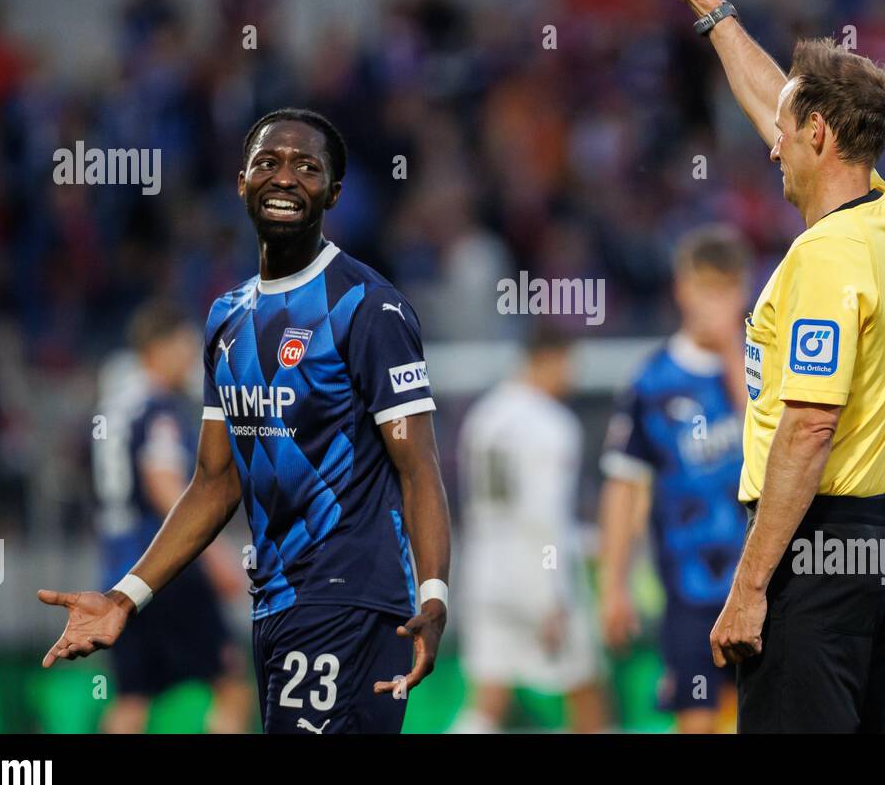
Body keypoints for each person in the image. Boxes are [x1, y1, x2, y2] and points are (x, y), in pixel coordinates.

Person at [40, 107, 452, 734]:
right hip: (276, 604)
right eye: (268, 162)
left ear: (333, 193)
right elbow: (214, 482)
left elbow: (418, 466)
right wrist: (126, 596)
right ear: (241, 182)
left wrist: (434, 595)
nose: (285, 178)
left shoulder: (368, 307)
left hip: (352, 599)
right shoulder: (226, 318)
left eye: (307, 168)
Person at [647, 0, 885, 732]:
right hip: (873, 543)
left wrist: (749, 585)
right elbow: (776, 98)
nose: (771, 147)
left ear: (821, 136)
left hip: (811, 552)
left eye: (788, 129)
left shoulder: (825, 259)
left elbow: (808, 426)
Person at [597, 226, 750, 733]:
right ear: (682, 289)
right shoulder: (652, 383)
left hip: (763, 580)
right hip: (690, 589)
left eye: (725, 290)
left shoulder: (765, 368)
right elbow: (625, 487)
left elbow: (772, 450)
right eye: (705, 289)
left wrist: (734, 354)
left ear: (743, 291)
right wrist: (613, 584)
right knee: (697, 722)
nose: (714, 304)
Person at [92, 301, 252, 733]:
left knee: (131, 699)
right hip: (165, 566)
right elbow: (165, 486)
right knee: (231, 683)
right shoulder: (159, 410)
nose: (190, 355)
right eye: (183, 344)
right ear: (156, 349)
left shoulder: (117, 405)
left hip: (118, 568)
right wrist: (214, 555)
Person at [452, 326, 608, 733]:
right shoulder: (550, 424)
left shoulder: (483, 415)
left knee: (486, 700)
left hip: (486, 571)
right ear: (548, 360)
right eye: (569, 366)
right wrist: (552, 594)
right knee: (586, 693)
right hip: (537, 573)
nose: (571, 378)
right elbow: (543, 516)